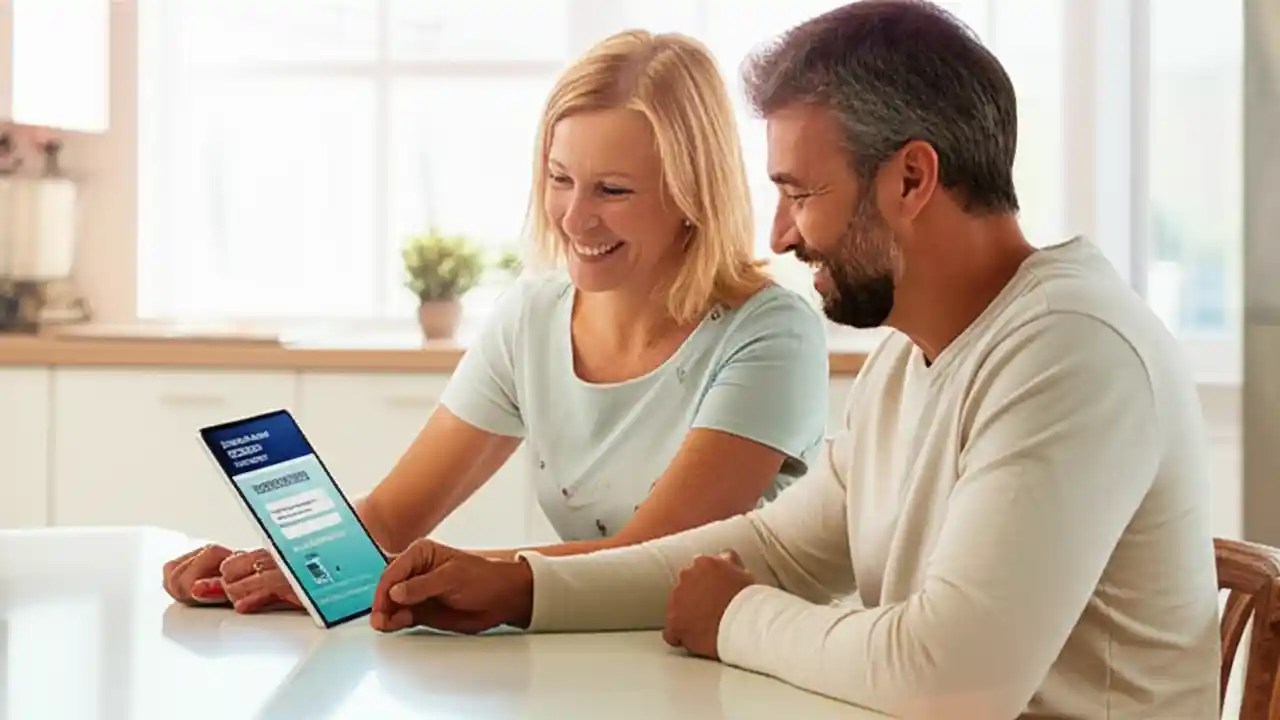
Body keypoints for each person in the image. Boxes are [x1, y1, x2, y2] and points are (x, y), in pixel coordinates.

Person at [364, 2, 1222, 718]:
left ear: (912, 179)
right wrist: (520, 590)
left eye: (802, 194)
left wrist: (736, 616)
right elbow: (776, 546)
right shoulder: (912, 360)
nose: (779, 235)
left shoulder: (1070, 351)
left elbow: (952, 678)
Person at [161, 30, 830, 613]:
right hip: (594, 656)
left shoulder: (770, 333)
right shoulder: (532, 319)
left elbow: (651, 557)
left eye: (613, 190)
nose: (573, 218)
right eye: (560, 178)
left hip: (735, 665)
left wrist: (453, 575)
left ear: (693, 192)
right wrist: (271, 567)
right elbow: (394, 514)